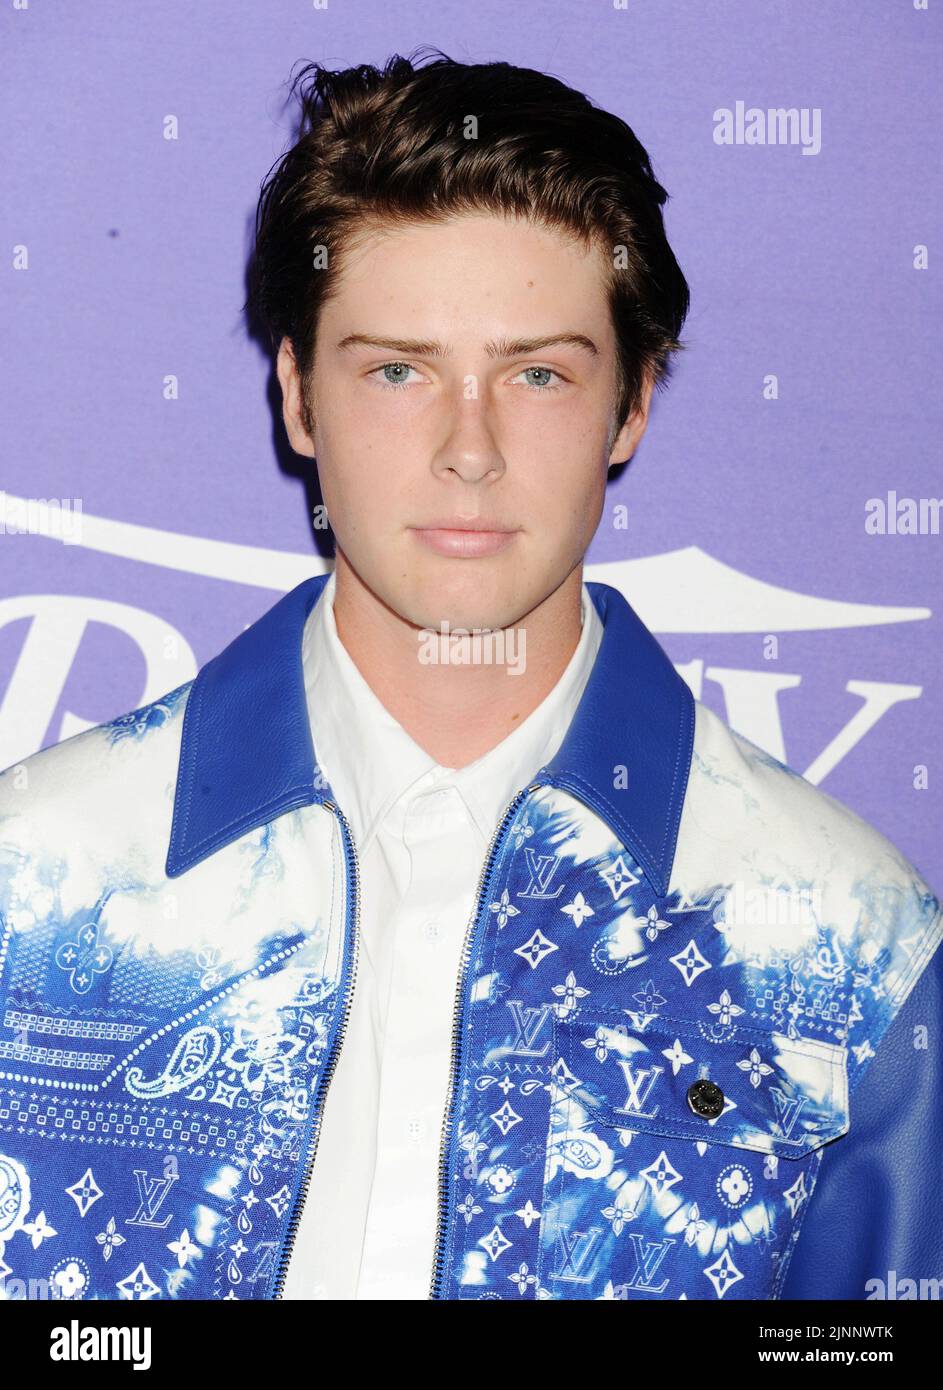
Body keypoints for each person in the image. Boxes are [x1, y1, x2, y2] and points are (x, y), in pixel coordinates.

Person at [0, 49, 939, 1303]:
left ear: (632, 406)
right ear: (296, 395)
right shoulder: (30, 887)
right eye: (397, 370)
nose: (469, 449)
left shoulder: (846, 943)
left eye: (537, 373)